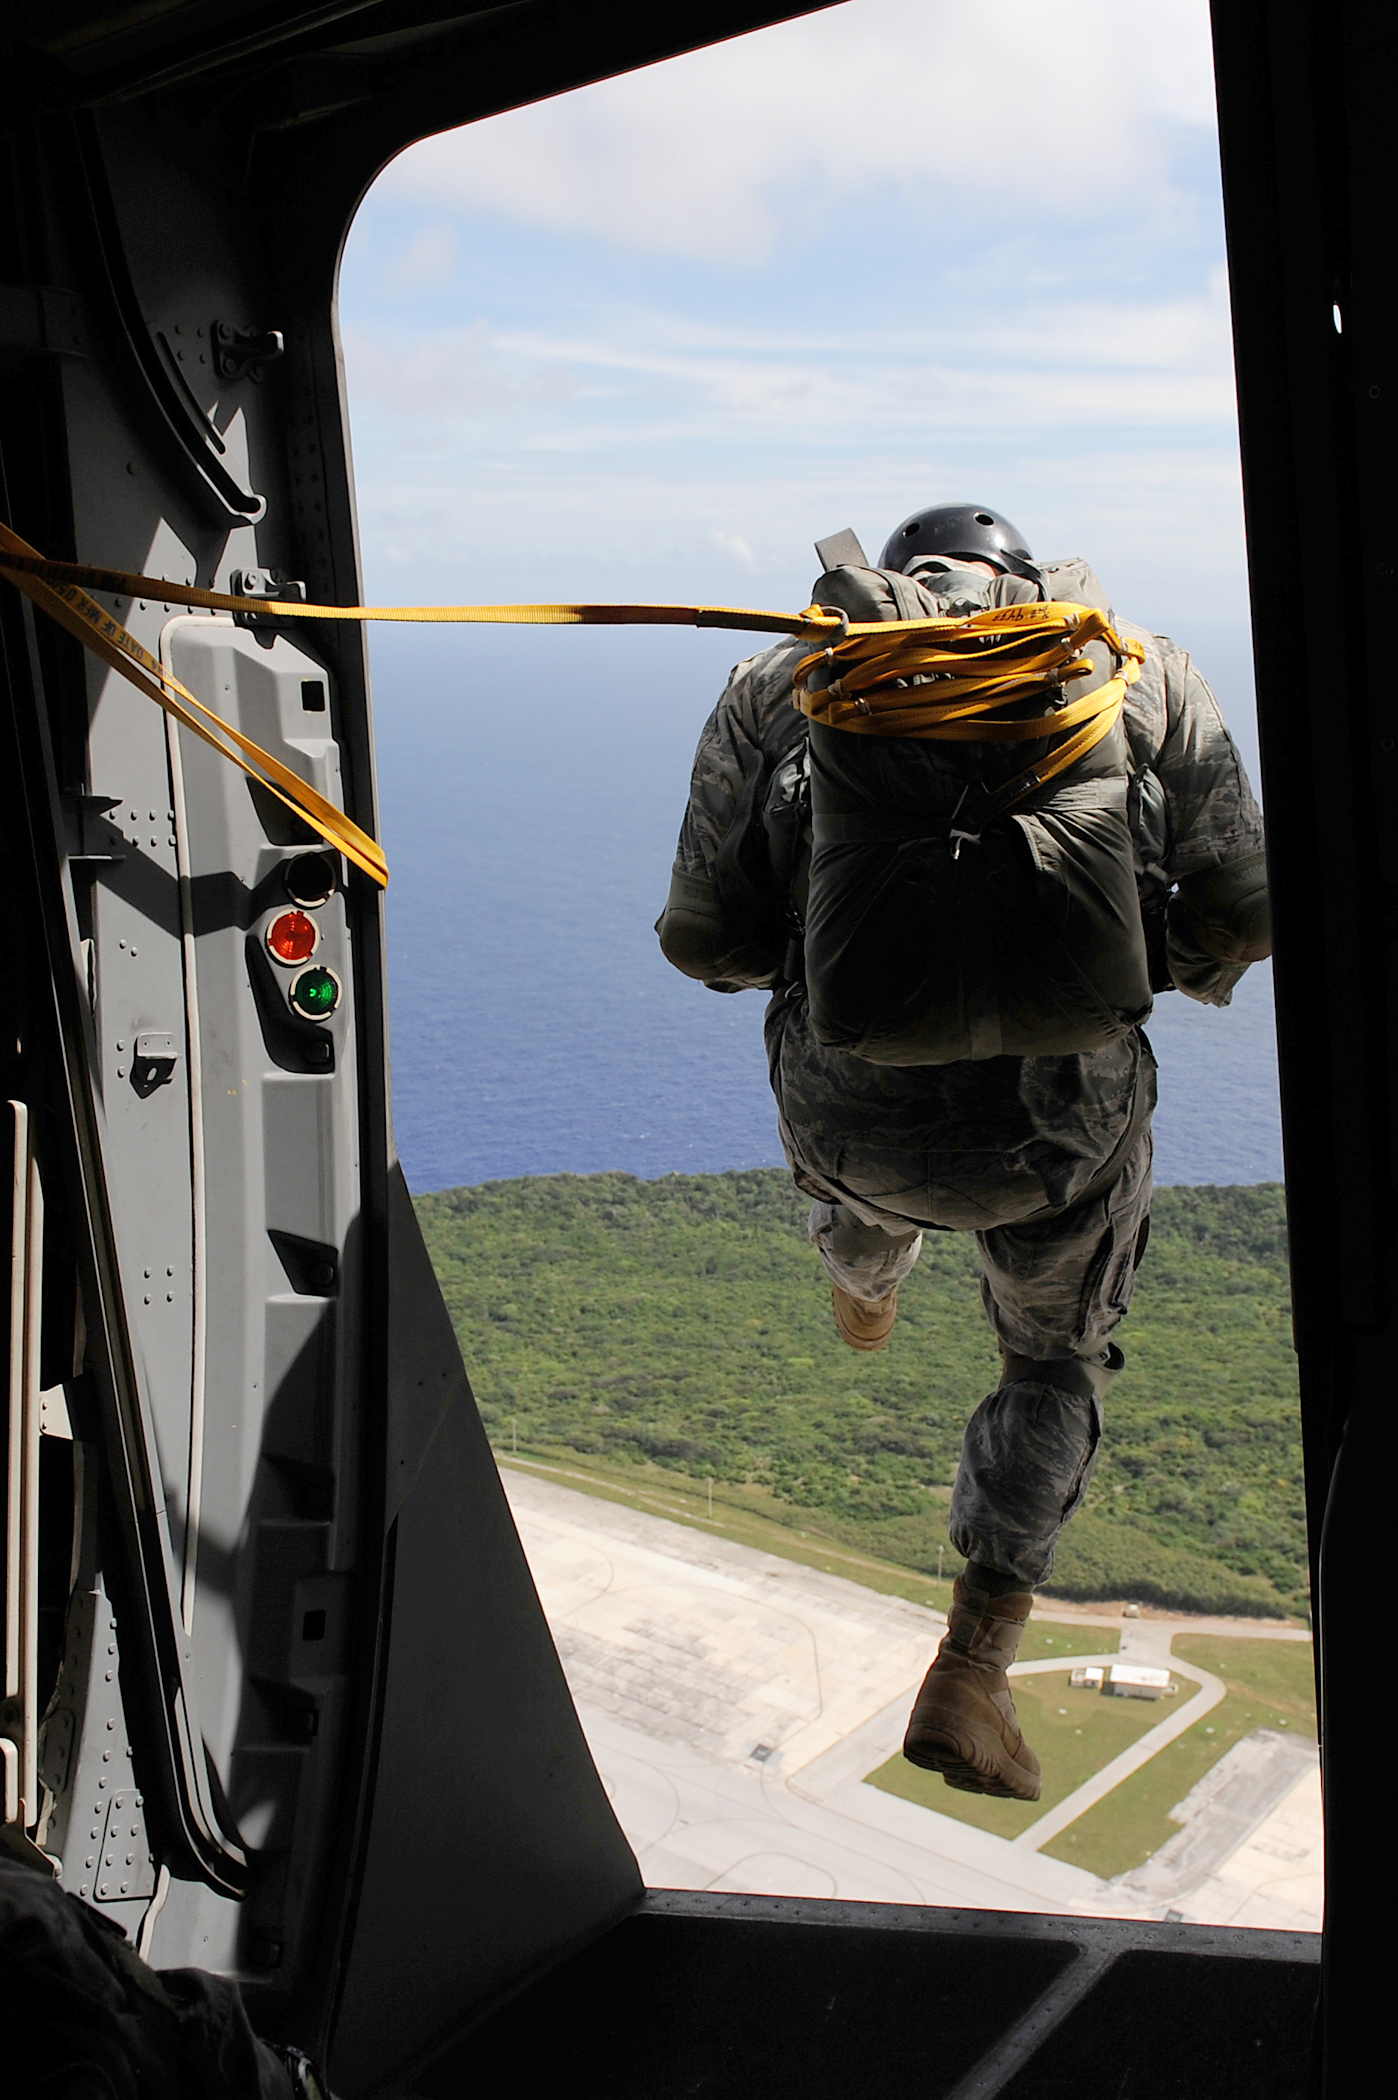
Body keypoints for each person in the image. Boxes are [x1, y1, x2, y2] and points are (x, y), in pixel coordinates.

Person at [655, 503, 1270, 1802]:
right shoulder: (1136, 664)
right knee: (1050, 1358)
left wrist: (836, 961)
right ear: (1022, 579)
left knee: (860, 1168)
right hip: (1058, 1126)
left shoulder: (786, 676)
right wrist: (1122, 972)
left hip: (852, 1108)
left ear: (893, 578)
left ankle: (866, 1279)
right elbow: (1240, 911)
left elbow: (708, 939)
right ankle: (975, 1669)